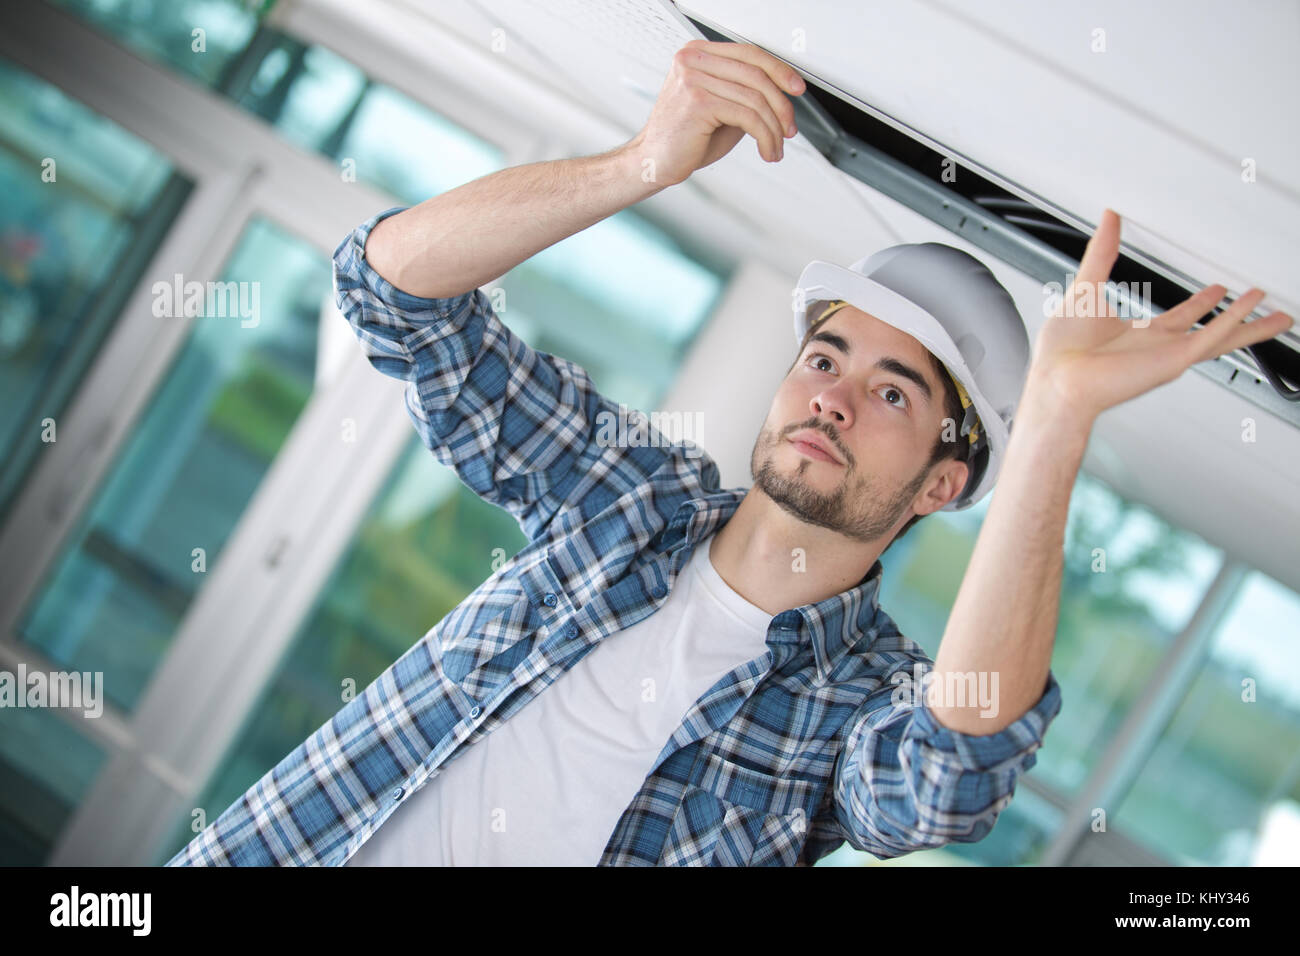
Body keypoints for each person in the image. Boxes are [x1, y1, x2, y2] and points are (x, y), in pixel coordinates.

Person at [167, 40, 1293, 867]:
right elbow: (395, 295)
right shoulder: (623, 498)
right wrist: (638, 164)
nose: (833, 398)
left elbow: (948, 774)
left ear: (945, 482)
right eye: (825, 356)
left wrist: (1051, 419)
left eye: (892, 389)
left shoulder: (858, 699)